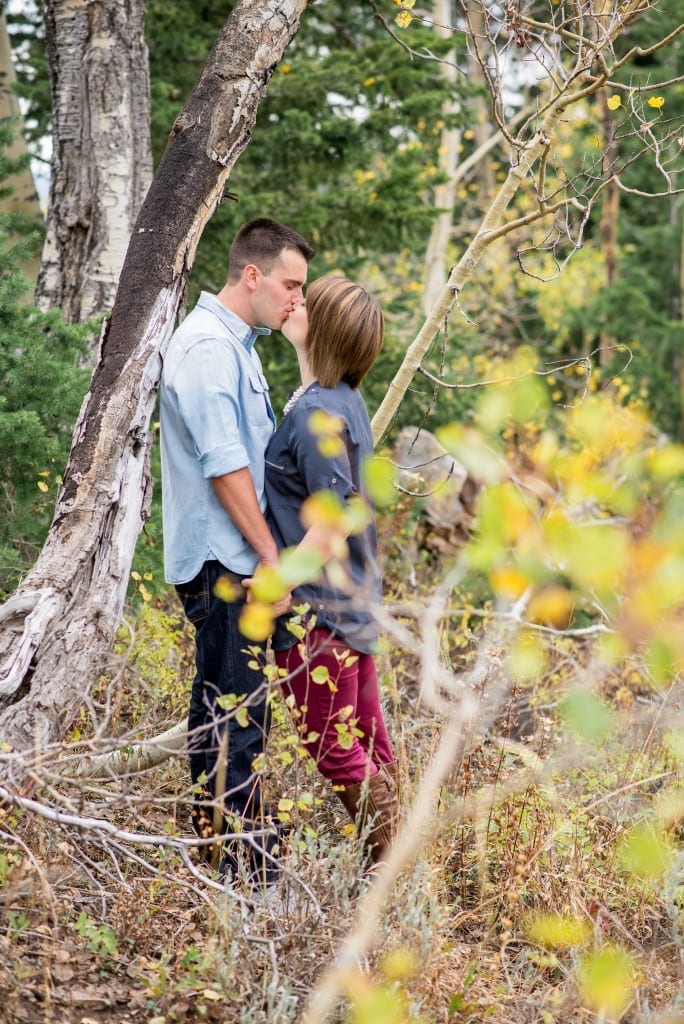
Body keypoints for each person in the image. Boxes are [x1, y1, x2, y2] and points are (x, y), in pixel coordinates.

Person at [159, 218, 315, 890]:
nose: (297, 300)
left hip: (237, 560)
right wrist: (271, 559)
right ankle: (250, 881)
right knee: (238, 721)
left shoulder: (238, 346)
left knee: (220, 714)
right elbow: (226, 468)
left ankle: (215, 859)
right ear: (252, 275)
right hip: (224, 566)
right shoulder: (206, 349)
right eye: (290, 285)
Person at [263, 275, 400, 867]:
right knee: (369, 743)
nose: (295, 302)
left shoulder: (319, 410)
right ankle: (404, 877)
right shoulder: (341, 398)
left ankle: (393, 880)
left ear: (325, 331)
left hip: (322, 615)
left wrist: (279, 581)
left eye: (307, 302)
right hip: (354, 605)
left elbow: (332, 520)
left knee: (333, 747)